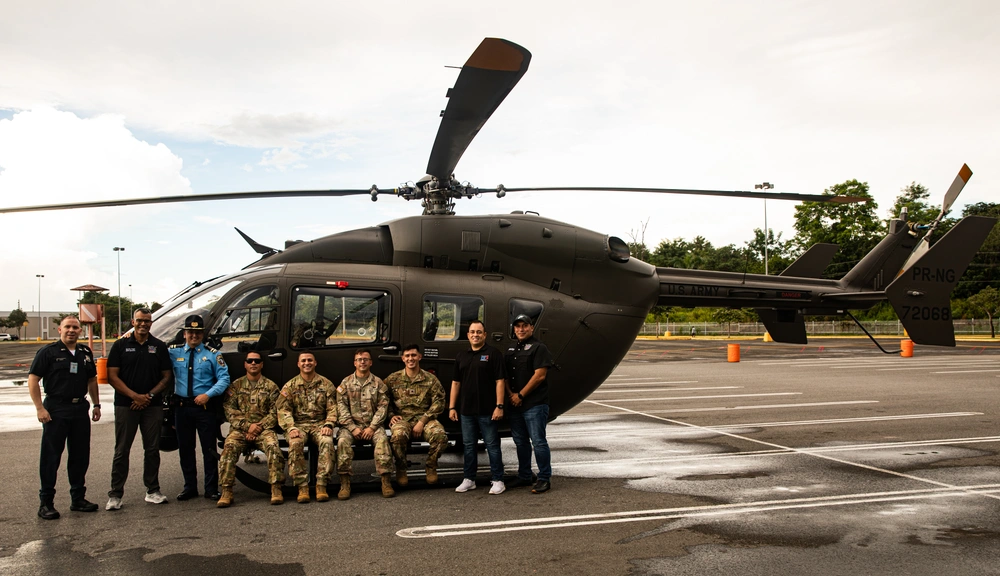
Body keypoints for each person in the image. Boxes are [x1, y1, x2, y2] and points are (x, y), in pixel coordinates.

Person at [27, 316, 101, 520]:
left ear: (80, 331)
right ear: (60, 329)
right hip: (56, 409)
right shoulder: (48, 352)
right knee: (51, 457)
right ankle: (46, 503)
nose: (71, 330)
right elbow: (33, 379)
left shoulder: (85, 352)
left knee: (80, 455)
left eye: (75, 327)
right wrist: (40, 408)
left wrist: (96, 404)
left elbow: (92, 380)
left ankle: (78, 498)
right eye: (67, 327)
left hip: (79, 410)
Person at [105, 308, 172, 511]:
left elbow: (167, 376)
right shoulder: (120, 345)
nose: (143, 324)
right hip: (126, 405)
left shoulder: (159, 346)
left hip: (152, 405)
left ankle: (153, 490)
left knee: (152, 449)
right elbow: (112, 376)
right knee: (122, 449)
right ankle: (115, 494)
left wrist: (148, 396)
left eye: (147, 321)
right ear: (133, 322)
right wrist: (134, 396)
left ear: (151, 323)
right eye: (140, 320)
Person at [167, 314, 230, 501]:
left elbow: (224, 379)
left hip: (204, 408)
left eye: (198, 332)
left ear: (203, 334)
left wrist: (208, 394)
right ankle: (189, 487)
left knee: (208, 449)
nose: (194, 335)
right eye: (190, 332)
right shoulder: (173, 353)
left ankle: (210, 488)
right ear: (184, 334)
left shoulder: (213, 354)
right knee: (185, 449)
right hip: (182, 408)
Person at [217, 351, 285, 507]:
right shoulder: (235, 386)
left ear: (262, 364)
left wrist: (257, 428)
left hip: (264, 429)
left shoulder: (271, 386)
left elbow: (276, 411)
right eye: (250, 361)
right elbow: (229, 410)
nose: (253, 363)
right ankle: (227, 490)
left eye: (257, 361)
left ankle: (276, 488)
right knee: (229, 448)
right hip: (240, 430)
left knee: (273, 447)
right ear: (245, 364)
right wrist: (248, 427)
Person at [449, 320, 506, 495]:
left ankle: (498, 480)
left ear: (485, 335)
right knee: (468, 446)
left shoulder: (493, 354)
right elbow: (456, 383)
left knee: (492, 445)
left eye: (479, 332)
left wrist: (499, 406)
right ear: (468, 335)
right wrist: (452, 407)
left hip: (488, 410)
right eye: (472, 332)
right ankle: (469, 479)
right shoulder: (461, 356)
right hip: (466, 411)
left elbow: (500, 381)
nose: (475, 335)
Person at [276, 351, 336, 503]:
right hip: (298, 426)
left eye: (310, 360)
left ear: (315, 363)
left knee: (327, 441)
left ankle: (321, 484)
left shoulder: (326, 384)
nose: (307, 363)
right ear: (298, 364)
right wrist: (291, 428)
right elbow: (283, 410)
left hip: (319, 424)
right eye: (303, 361)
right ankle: (302, 486)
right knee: (295, 443)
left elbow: (333, 408)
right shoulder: (290, 386)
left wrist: (329, 424)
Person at [504, 314, 555, 494]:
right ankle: (525, 475)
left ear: (532, 328)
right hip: (515, 403)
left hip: (534, 403)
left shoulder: (539, 348)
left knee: (538, 441)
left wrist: (520, 395)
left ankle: (544, 478)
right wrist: (511, 395)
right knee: (520, 442)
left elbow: (539, 376)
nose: (521, 329)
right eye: (518, 326)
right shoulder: (510, 349)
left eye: (525, 326)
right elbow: (505, 375)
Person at [336, 349, 395, 499]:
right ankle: (345, 483)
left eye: (365, 359)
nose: (362, 362)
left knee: (382, 441)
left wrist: (372, 427)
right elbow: (341, 407)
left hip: (372, 425)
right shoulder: (346, 383)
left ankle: (386, 481)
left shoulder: (378, 383)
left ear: (370, 363)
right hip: (350, 427)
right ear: (354, 363)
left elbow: (383, 407)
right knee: (342, 442)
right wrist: (352, 428)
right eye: (359, 359)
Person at [385, 344, 447, 485]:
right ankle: (401, 468)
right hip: (402, 418)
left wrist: (423, 421)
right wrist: (391, 415)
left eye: (413, 355)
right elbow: (383, 400)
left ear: (419, 357)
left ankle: (431, 466)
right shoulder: (393, 379)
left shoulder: (430, 379)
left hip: (425, 418)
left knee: (440, 436)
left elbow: (439, 402)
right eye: (407, 356)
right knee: (398, 436)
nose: (410, 359)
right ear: (403, 358)